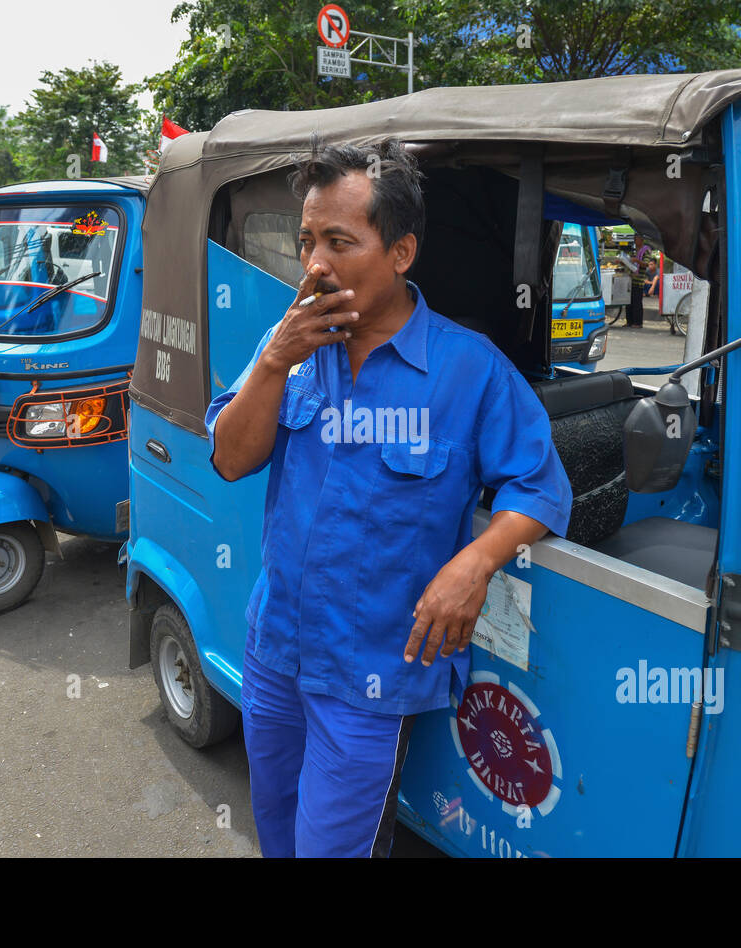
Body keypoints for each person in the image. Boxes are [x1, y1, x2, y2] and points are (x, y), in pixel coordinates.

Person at [205, 138, 572, 858]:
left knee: (331, 848)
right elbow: (230, 457)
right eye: (307, 240)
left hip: (372, 672)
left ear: (400, 254)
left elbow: (539, 484)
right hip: (276, 645)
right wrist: (277, 359)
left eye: (340, 241)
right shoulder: (287, 347)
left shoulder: (468, 369)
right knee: (275, 824)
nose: (314, 263)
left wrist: (476, 562)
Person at [625, 233, 652, 327]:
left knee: (637, 302)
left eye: (636, 239)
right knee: (629, 302)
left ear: (641, 240)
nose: (635, 241)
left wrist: (637, 261)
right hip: (630, 279)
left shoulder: (646, 251)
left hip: (639, 280)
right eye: (634, 239)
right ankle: (629, 321)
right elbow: (629, 261)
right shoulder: (634, 250)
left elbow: (646, 264)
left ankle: (638, 322)